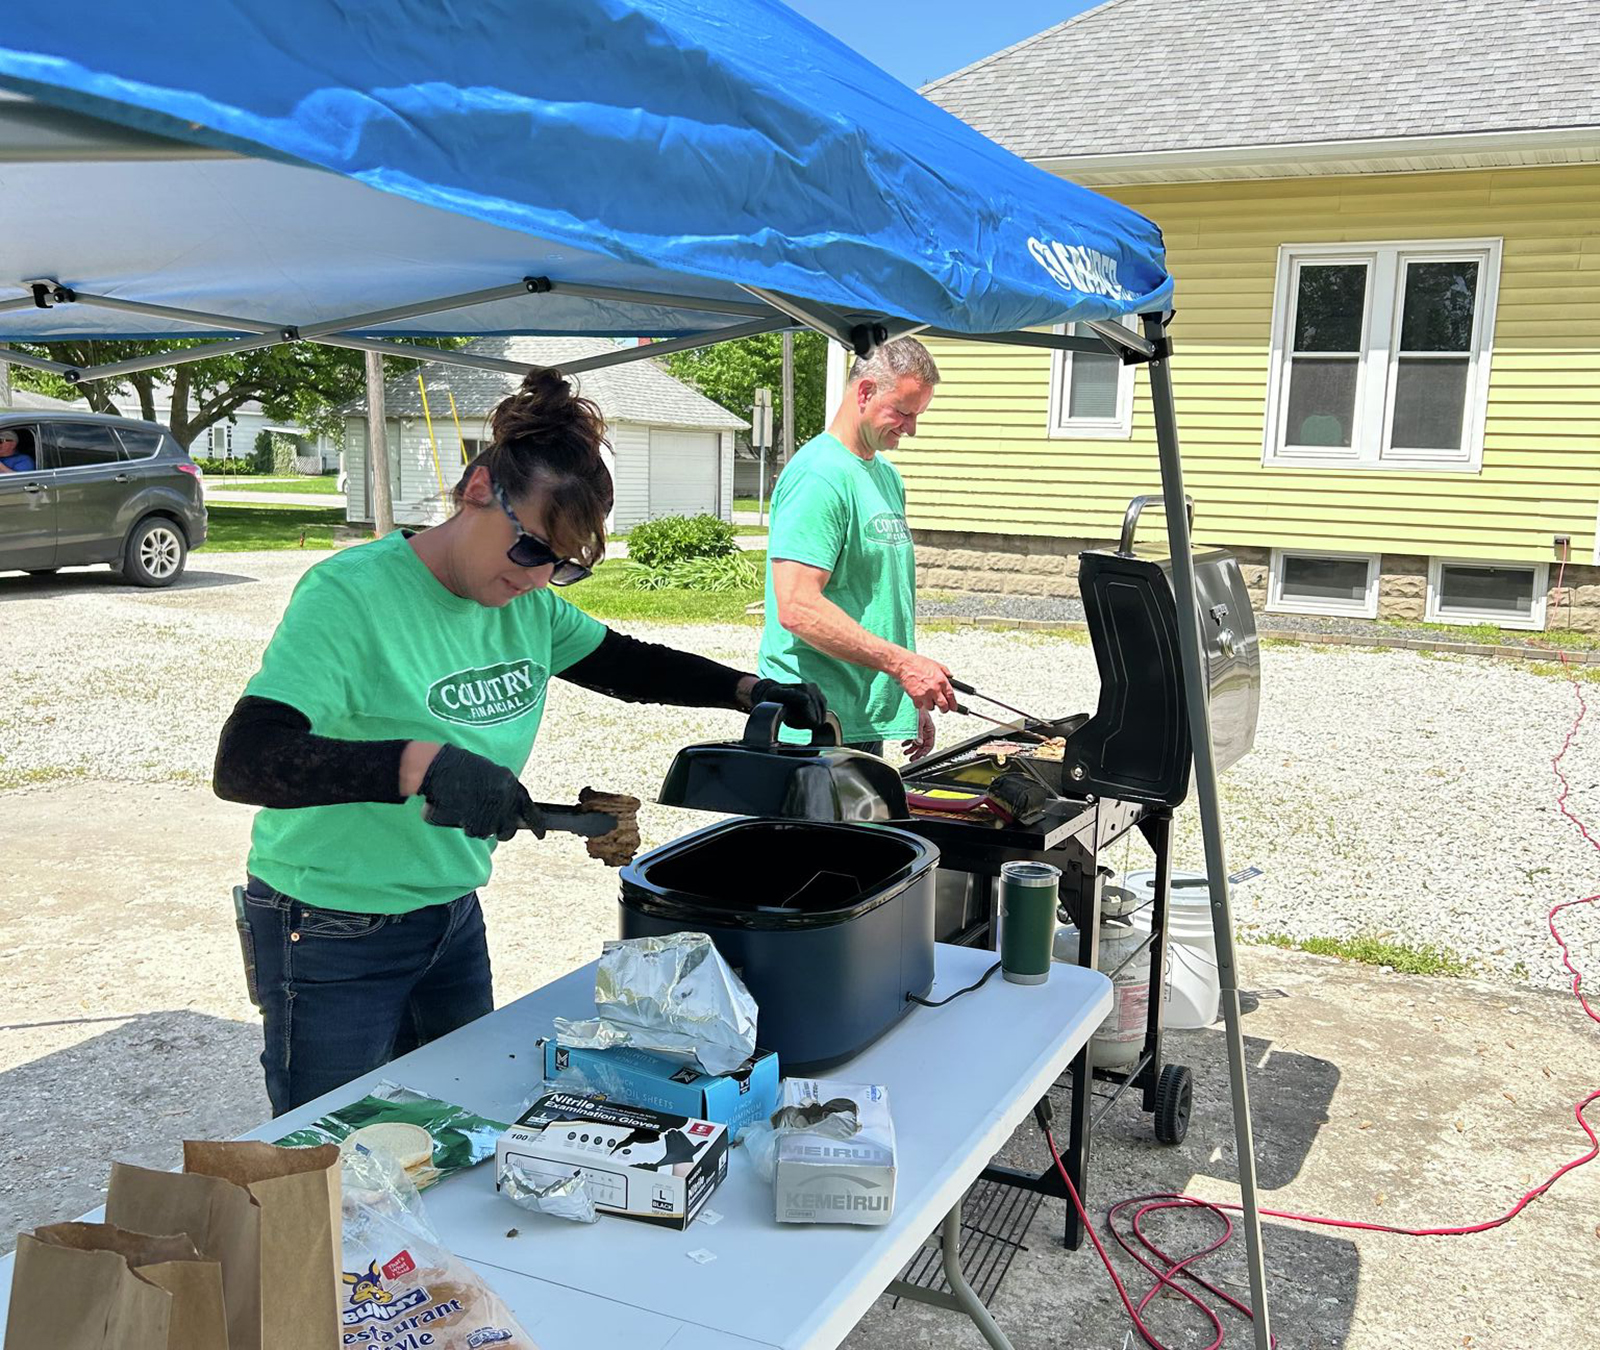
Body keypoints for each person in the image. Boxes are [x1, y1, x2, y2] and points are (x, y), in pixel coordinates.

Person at [214, 369, 827, 1116]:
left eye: (563, 566)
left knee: (450, 1121)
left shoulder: (525, 610)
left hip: (450, 910)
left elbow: (625, 664)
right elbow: (246, 761)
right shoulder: (350, 595)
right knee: (324, 1150)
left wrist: (746, 689)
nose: (537, 580)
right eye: (533, 549)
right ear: (477, 488)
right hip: (330, 923)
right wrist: (420, 765)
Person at [759, 337, 954, 761]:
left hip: (862, 716)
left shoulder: (886, 477)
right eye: (903, 412)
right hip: (813, 721)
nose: (911, 428)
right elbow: (797, 607)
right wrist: (903, 665)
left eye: (917, 415)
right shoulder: (818, 477)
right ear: (865, 392)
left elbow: (880, 600)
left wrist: (907, 697)